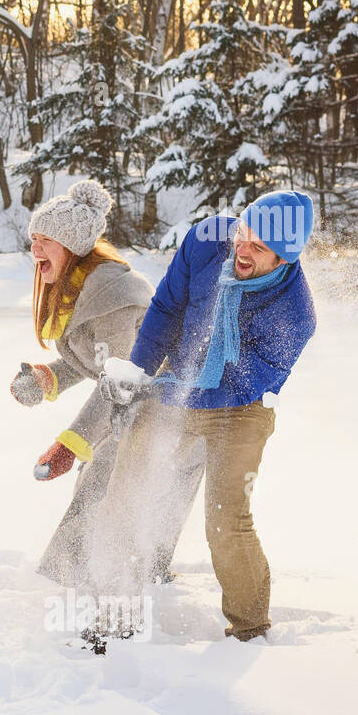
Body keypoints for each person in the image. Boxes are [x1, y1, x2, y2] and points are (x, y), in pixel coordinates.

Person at [91, 190, 317, 641]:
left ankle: (251, 629)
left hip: (241, 410)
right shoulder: (207, 238)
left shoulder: (296, 313)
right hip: (177, 385)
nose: (242, 248)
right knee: (125, 497)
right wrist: (139, 370)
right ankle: (112, 614)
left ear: (284, 259)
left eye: (258, 247)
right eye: (244, 234)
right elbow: (166, 309)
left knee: (225, 520)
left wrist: (178, 386)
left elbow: (250, 381)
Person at [11, 180, 201, 587]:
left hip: (179, 408)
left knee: (105, 480)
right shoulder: (82, 289)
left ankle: (70, 578)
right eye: (33, 239)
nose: (35, 249)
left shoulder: (113, 295)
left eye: (45, 240)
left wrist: (70, 442)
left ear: (72, 244)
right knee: (118, 485)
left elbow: (121, 380)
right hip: (146, 404)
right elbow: (95, 359)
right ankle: (124, 574)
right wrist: (49, 378)